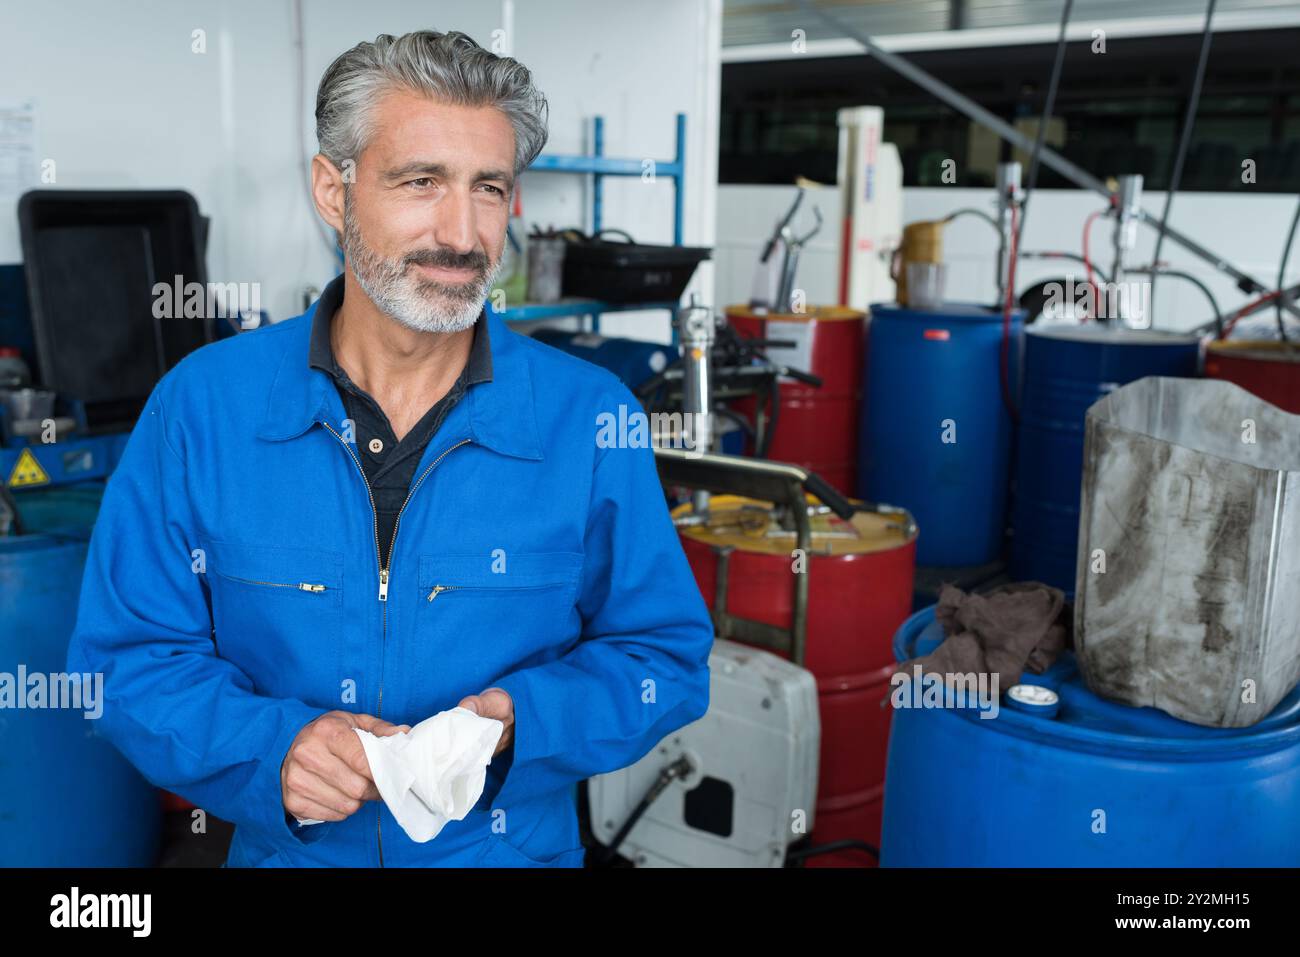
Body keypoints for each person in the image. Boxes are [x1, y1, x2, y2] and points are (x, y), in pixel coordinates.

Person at [67, 29, 712, 868]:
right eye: (421, 182)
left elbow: (663, 656)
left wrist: (526, 724)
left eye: (490, 187)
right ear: (333, 192)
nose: (462, 232)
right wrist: (272, 750)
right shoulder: (203, 408)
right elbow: (125, 661)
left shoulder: (589, 418)